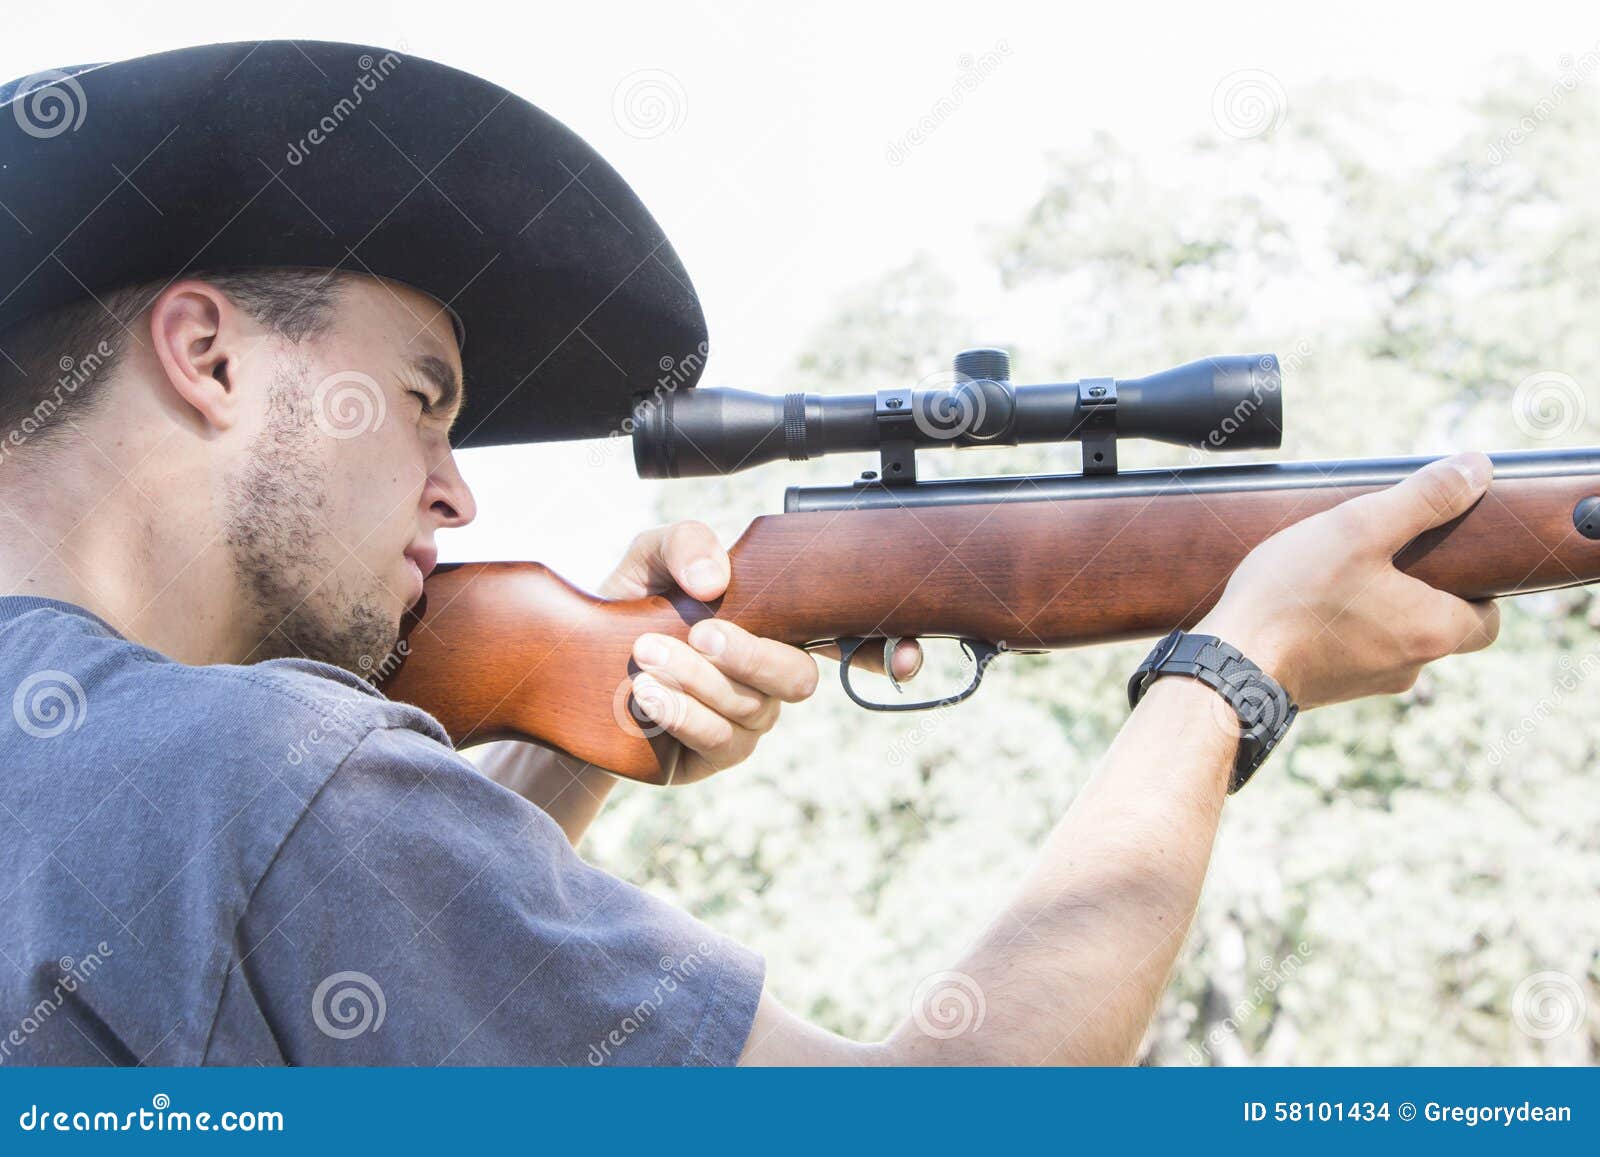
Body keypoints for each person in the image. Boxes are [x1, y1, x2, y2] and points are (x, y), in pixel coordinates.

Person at [0, 42, 1499, 1066]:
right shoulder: (263, 772)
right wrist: (1230, 674)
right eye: (422, 401)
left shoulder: (141, 784)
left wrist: (569, 735)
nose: (454, 497)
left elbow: (307, 937)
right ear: (207, 354)